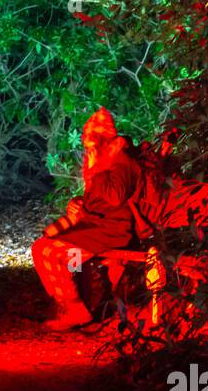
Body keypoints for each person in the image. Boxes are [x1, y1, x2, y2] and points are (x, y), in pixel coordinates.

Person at [32, 107, 145, 330]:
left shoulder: (121, 160)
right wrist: (78, 201)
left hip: (112, 230)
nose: (87, 151)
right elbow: (97, 197)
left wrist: (97, 170)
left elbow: (114, 197)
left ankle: (75, 309)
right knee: (47, 244)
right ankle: (78, 302)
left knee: (49, 250)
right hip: (94, 225)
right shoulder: (104, 160)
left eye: (91, 145)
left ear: (102, 140)